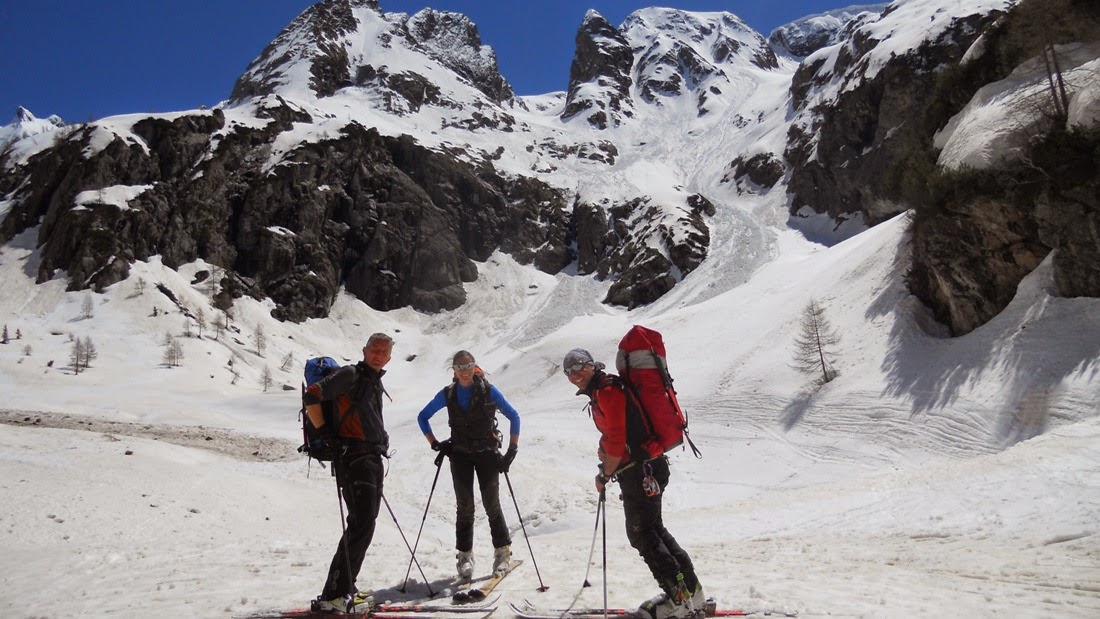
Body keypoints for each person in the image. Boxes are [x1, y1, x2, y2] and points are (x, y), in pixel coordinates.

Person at [563, 348, 704, 619]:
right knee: (654, 531)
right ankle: (691, 594)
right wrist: (606, 455)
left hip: (641, 471)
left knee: (642, 534)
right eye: (568, 371)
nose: (574, 374)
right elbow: (615, 436)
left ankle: (676, 601)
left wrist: (605, 473)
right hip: (646, 467)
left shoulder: (607, 391)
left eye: (579, 366)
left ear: (592, 365)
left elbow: (617, 437)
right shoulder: (604, 390)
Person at [302, 333, 395, 614]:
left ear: (389, 357)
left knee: (364, 523)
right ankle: (334, 594)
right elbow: (312, 396)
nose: (378, 355)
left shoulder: (372, 380)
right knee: (361, 524)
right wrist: (326, 435)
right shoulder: (350, 374)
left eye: (384, 351)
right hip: (354, 459)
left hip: (369, 458)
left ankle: (345, 586)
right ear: (364, 350)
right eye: (374, 350)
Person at [417, 350, 521, 581]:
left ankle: (502, 553)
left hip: (487, 454)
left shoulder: (488, 390)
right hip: (461, 455)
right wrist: (435, 444)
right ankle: (465, 557)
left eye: (468, 365)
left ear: (475, 367)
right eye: (460, 367)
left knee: (491, 503)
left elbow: (514, 416)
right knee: (464, 506)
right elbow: (422, 417)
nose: (464, 371)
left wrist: (512, 450)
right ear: (453, 370)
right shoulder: (448, 394)